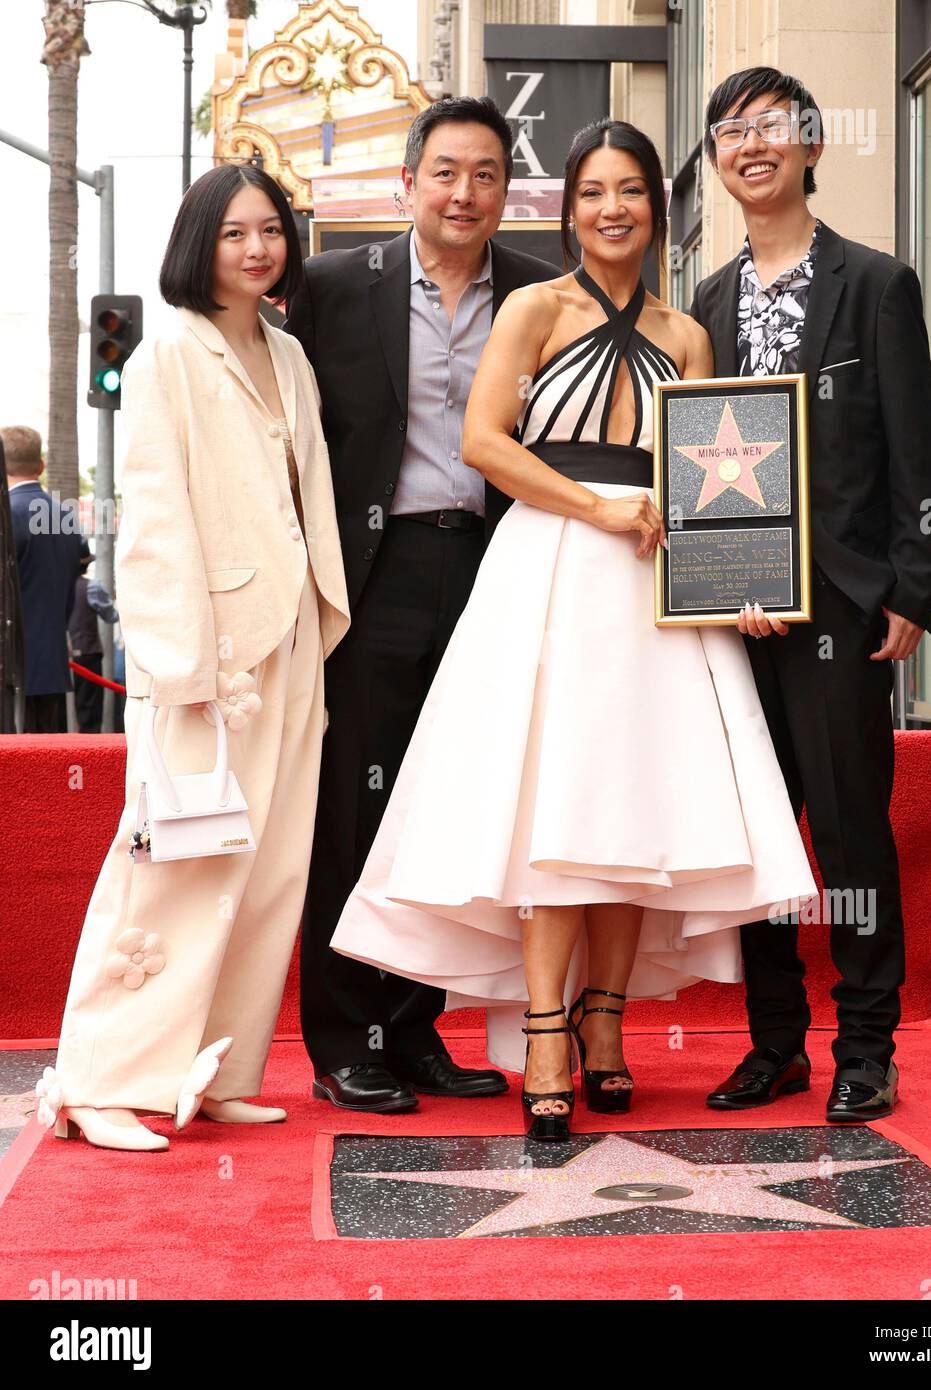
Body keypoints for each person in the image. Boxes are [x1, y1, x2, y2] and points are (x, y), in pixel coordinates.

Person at [330, 118, 817, 1142]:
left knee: (633, 809)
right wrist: (594, 508)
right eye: (593, 191)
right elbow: (483, 443)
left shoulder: (688, 335)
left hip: (657, 594)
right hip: (549, 571)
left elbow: (716, 481)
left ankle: (605, 1025)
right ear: (568, 208)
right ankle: (543, 1031)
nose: (612, 209)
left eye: (631, 191)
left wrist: (742, 575)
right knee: (555, 806)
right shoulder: (529, 308)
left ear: (658, 207)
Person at [36, 164, 351, 1152]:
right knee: (169, 860)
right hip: (207, 654)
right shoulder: (168, 351)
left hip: (293, 636)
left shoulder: (287, 354)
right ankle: (99, 1078)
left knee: (265, 870)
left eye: (270, 231)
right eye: (233, 234)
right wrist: (178, 664)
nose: (257, 249)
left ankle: (213, 1069)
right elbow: (155, 512)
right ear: (198, 245)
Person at [283, 96, 560, 1114]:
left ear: (506, 192)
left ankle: (417, 1030)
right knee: (356, 807)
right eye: (445, 171)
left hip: (490, 571)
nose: (464, 192)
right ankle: (345, 1037)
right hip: (371, 576)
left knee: (452, 810)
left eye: (486, 174)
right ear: (407, 184)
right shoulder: (329, 288)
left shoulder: (538, 295)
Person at [692, 67, 931, 1123]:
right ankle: (774, 1043)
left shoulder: (875, 283)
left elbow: (913, 449)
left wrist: (913, 588)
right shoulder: (704, 300)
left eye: (769, 129)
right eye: (729, 134)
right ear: (713, 163)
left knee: (846, 831)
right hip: (729, 609)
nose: (749, 146)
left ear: (808, 147)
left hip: (840, 606)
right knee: (755, 828)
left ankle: (865, 1046)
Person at [3, 425, 81, 733]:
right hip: (52, 666)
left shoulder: (6, 514)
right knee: (48, 770)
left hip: (10, 673)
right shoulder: (65, 518)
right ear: (41, 466)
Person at [69, 540, 119, 734]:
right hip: (87, 653)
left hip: (61, 656)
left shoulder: (57, 586)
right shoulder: (92, 588)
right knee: (89, 710)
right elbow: (111, 616)